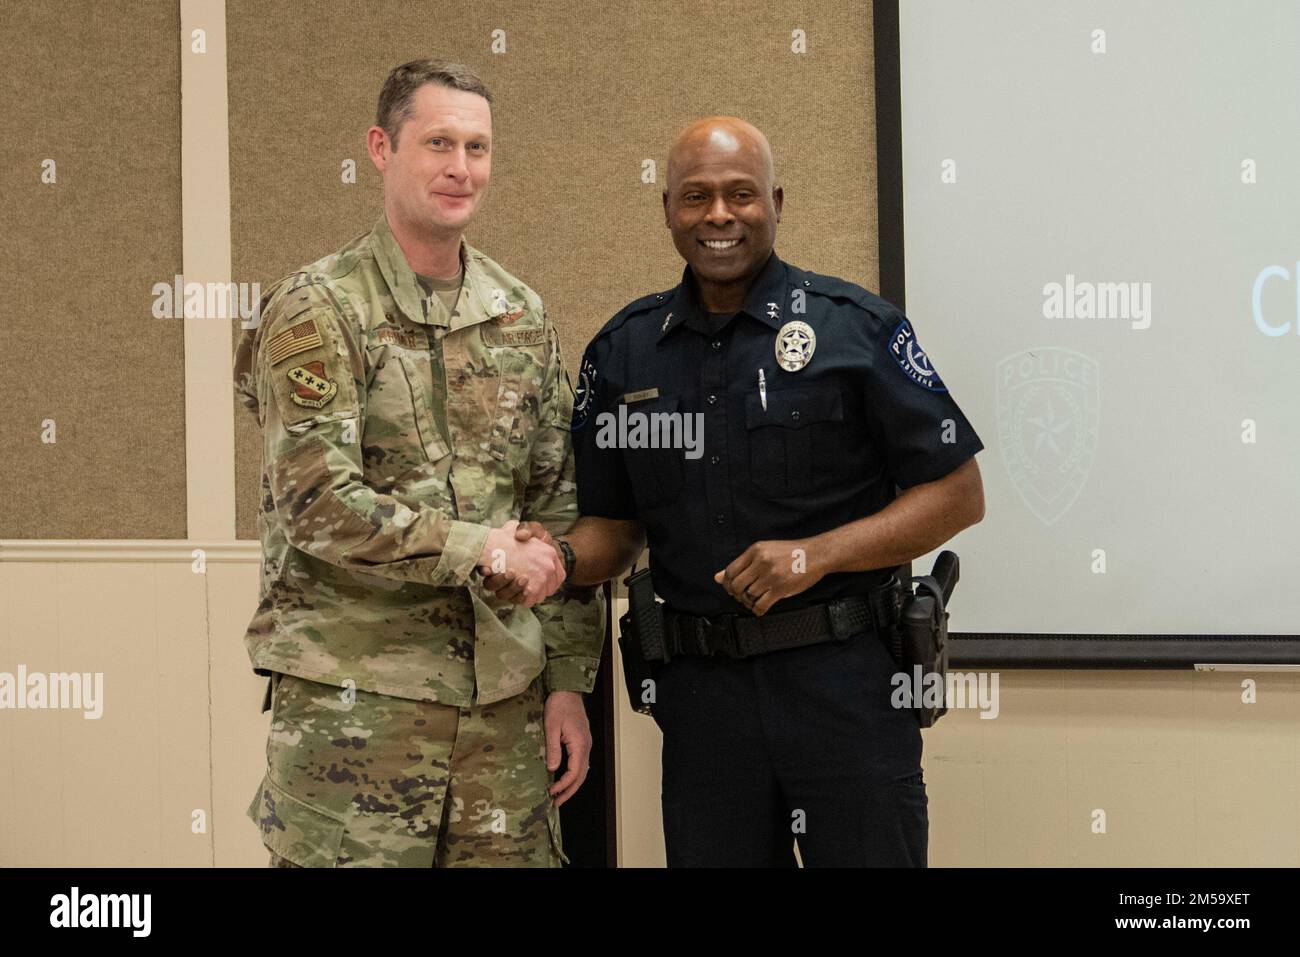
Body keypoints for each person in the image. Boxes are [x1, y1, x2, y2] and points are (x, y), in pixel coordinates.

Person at [487, 116, 985, 867]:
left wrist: (817, 554)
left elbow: (958, 492)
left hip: (845, 687)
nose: (719, 215)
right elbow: (614, 530)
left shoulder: (855, 330)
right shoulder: (622, 353)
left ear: (776, 202)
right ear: (668, 212)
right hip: (703, 705)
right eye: (695, 197)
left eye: (740, 194)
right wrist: (555, 556)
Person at [231, 59, 602, 868]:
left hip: (502, 719)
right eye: (438, 142)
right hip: (357, 721)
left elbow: (557, 501)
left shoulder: (519, 312)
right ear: (380, 147)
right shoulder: (319, 306)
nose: (460, 168)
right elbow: (318, 500)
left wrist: (568, 681)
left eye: (477, 147)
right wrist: (484, 549)